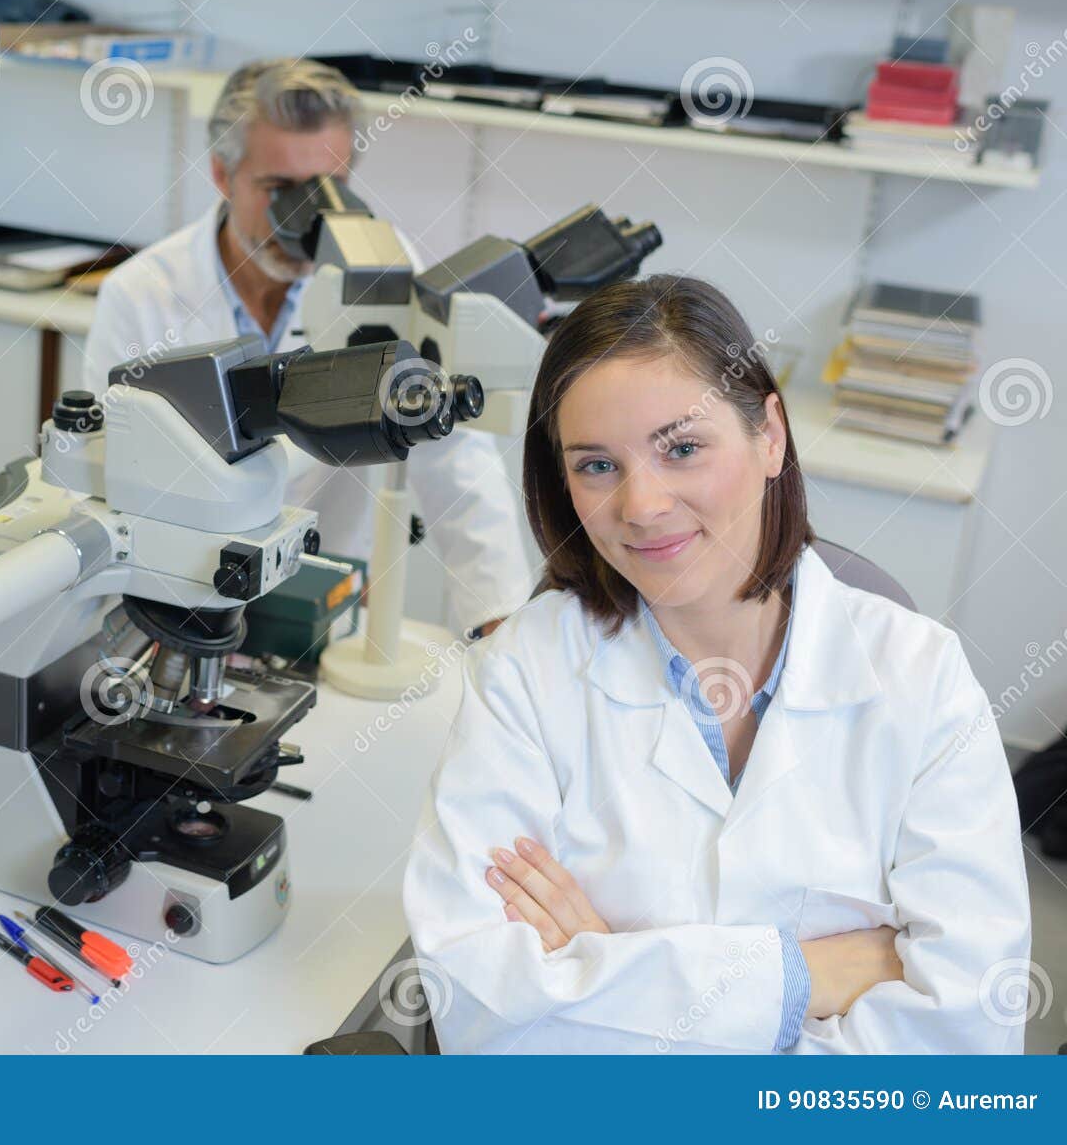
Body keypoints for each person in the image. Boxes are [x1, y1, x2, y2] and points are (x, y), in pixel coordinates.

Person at [402, 275, 1031, 1053]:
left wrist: (609, 967)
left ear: (770, 436)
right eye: (597, 465)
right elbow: (482, 1017)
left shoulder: (924, 681)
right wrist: (801, 978)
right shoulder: (522, 674)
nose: (642, 506)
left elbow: (965, 1049)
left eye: (683, 448)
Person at [81, 58, 535, 637]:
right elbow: (109, 476)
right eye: (280, 190)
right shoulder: (141, 293)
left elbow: (455, 458)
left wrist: (501, 620)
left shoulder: (384, 278)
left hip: (321, 585)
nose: (303, 219)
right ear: (222, 173)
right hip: (172, 591)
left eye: (327, 188)